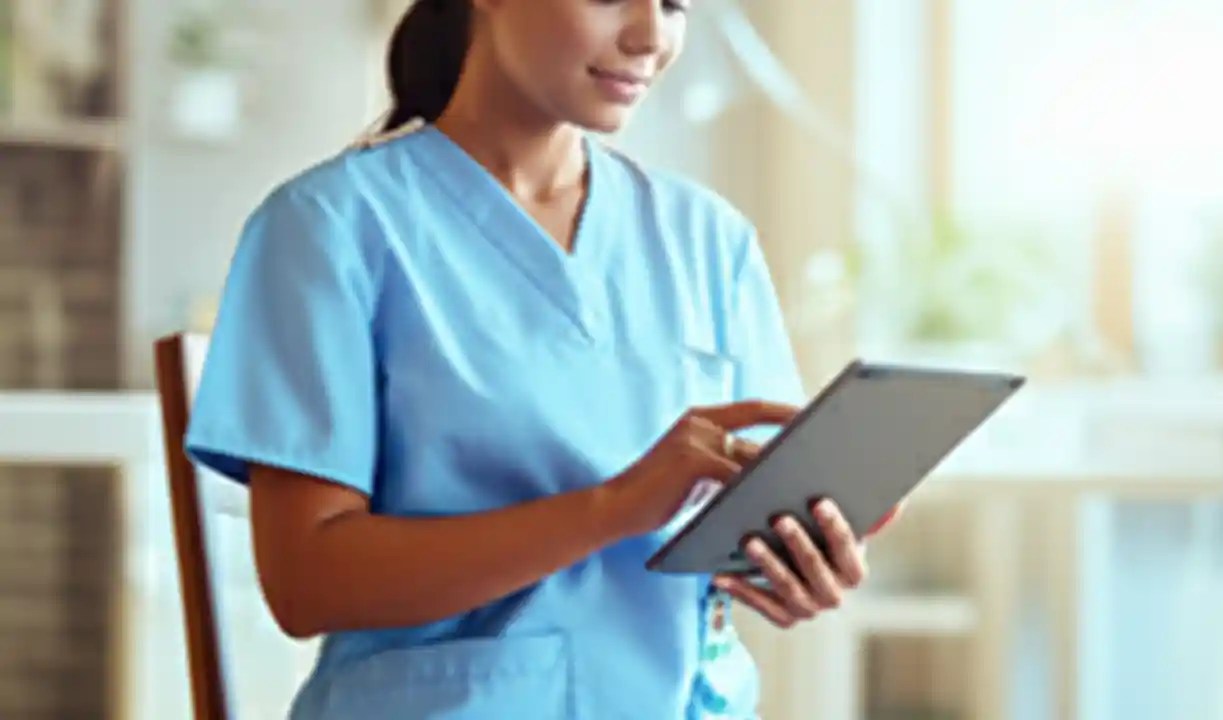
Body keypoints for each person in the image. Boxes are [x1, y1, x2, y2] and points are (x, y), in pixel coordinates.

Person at [185, 0, 900, 718]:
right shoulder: (330, 228)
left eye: (676, 3)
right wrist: (612, 508)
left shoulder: (709, 241)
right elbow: (308, 582)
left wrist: (801, 556)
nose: (651, 35)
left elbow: (741, 528)